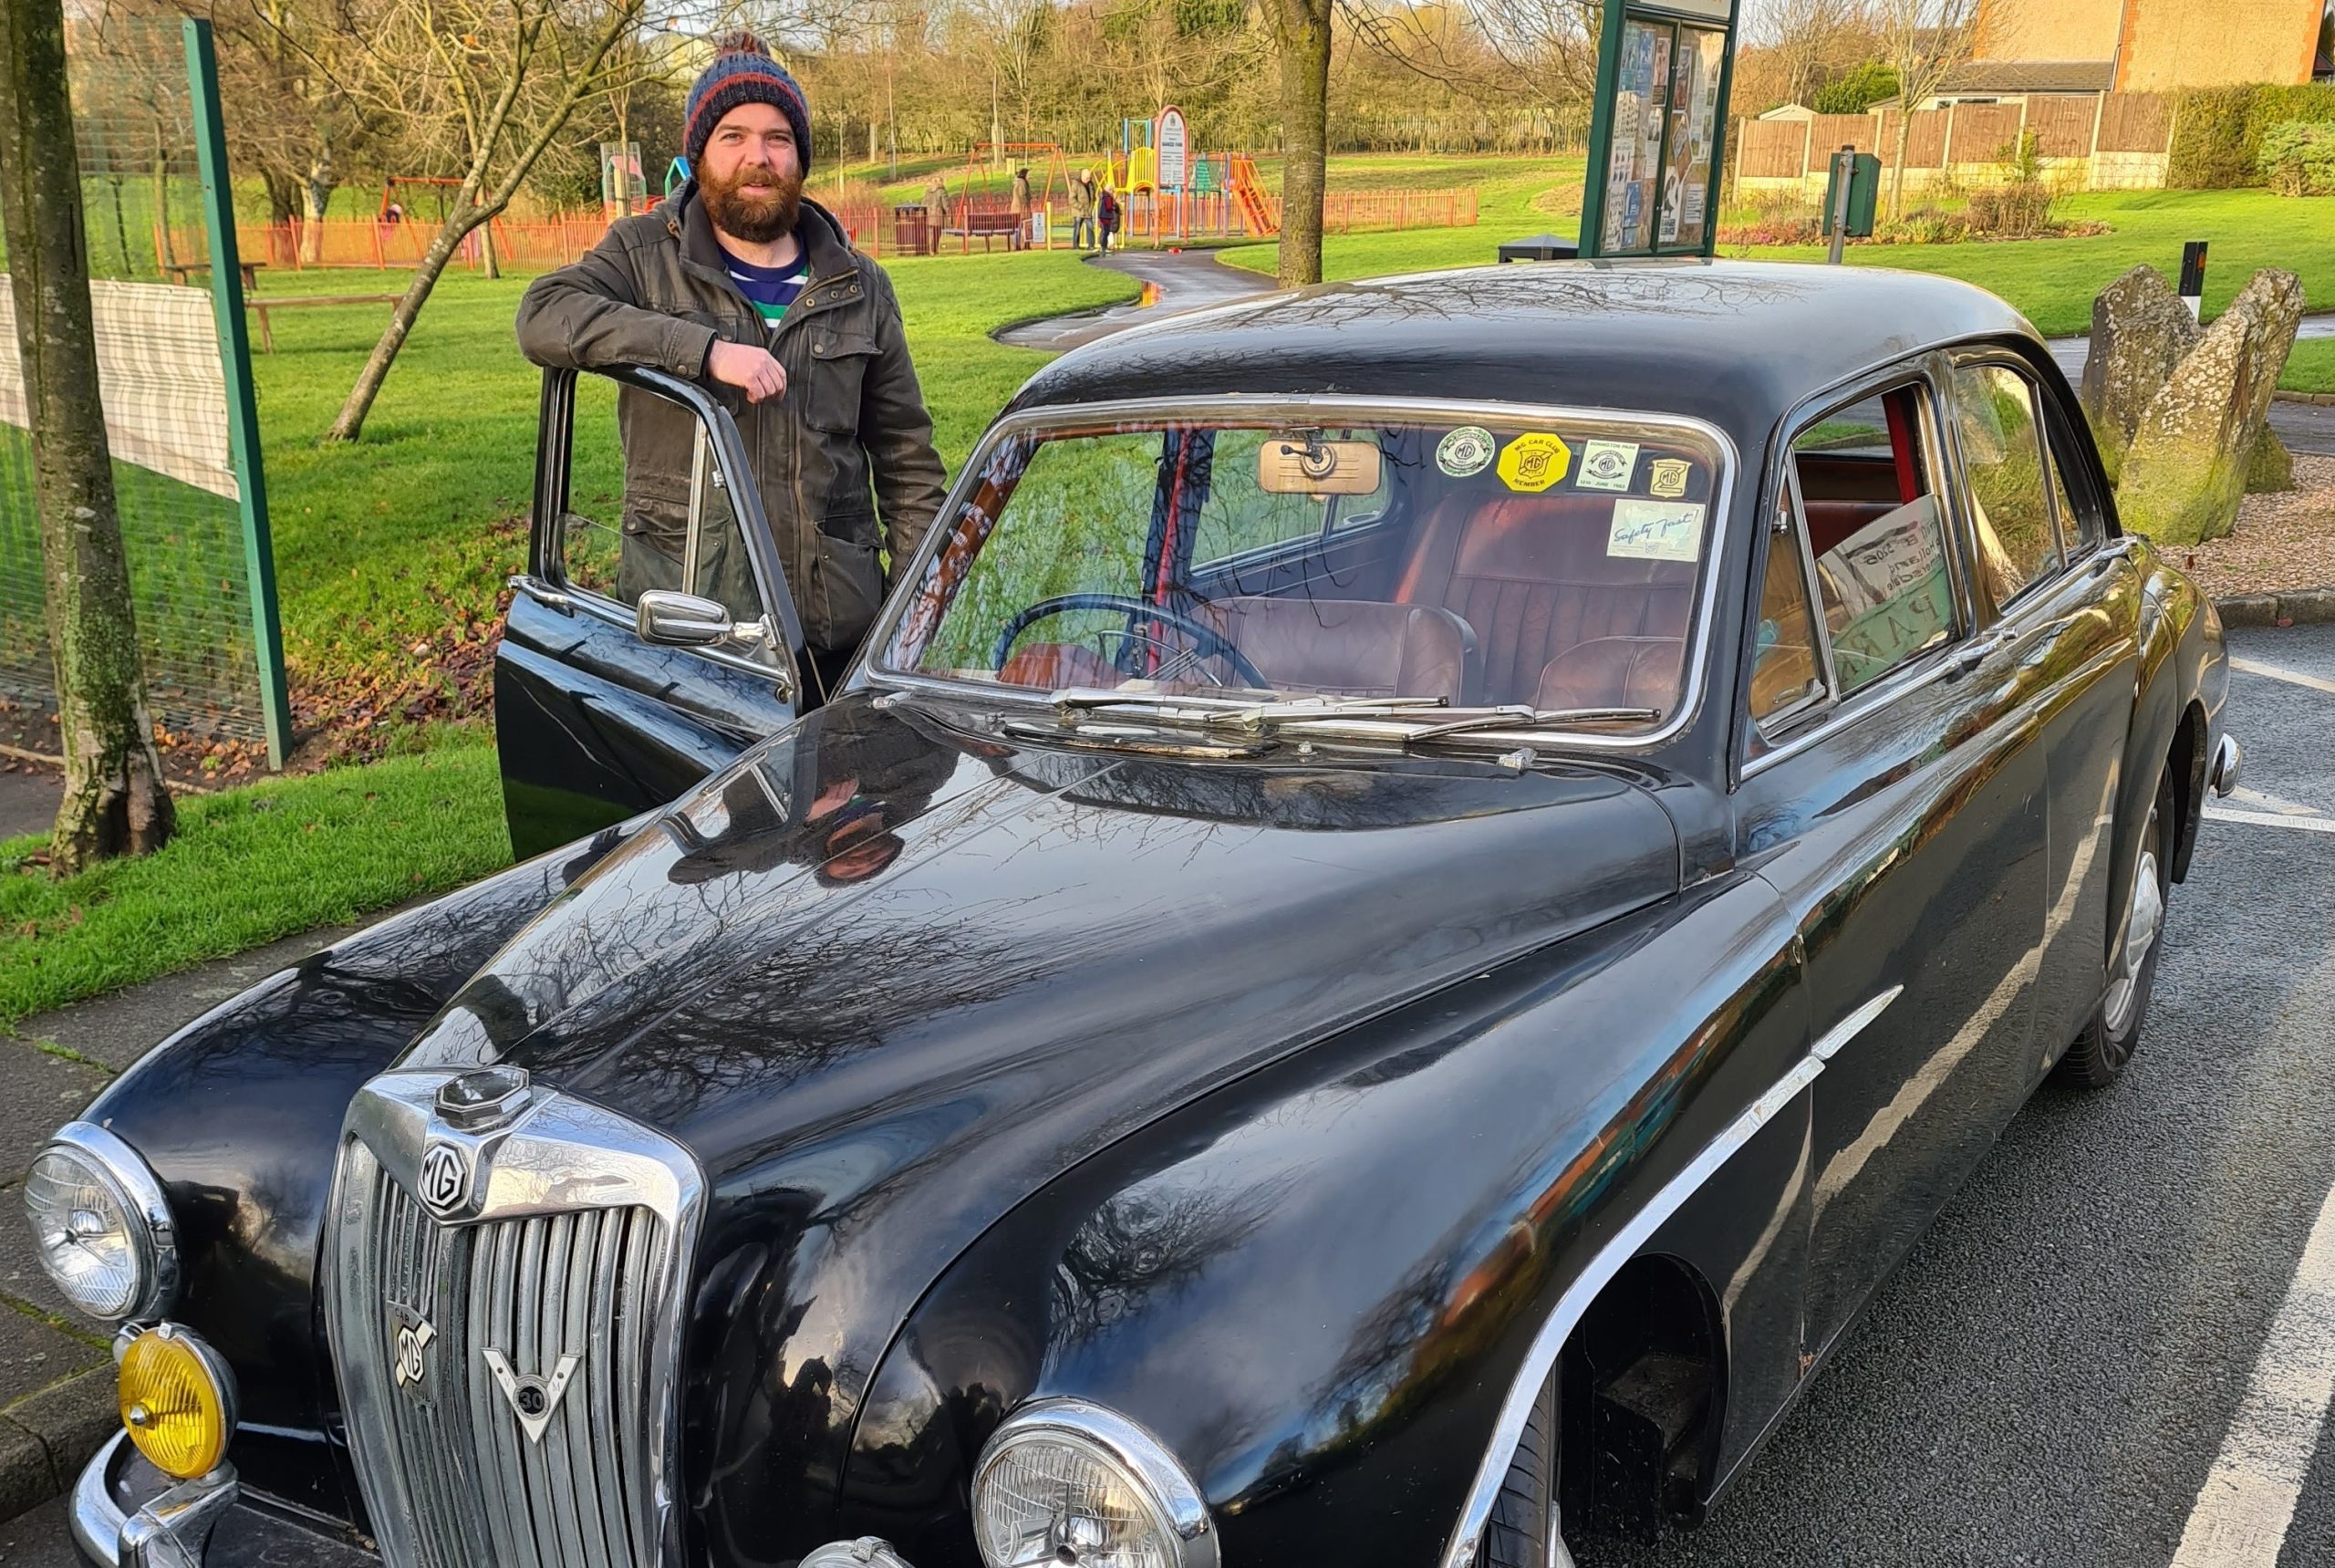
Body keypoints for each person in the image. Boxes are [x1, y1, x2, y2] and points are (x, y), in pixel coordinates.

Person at [515, 33, 948, 703]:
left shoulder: (861, 285)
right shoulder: (640, 254)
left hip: (833, 645)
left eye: (778, 138)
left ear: (800, 156)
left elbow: (908, 463)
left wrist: (904, 623)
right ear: (699, 156)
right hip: (688, 642)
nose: (758, 156)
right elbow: (543, 315)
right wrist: (704, 351)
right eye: (734, 135)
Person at [1069, 168, 1096, 252]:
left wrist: (1091, 207)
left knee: (1090, 228)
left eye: (1090, 178)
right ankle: (1076, 245)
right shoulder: (1075, 185)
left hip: (1088, 210)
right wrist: (1080, 206)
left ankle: (1091, 245)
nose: (1089, 180)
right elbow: (1071, 199)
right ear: (1082, 176)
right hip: (1079, 211)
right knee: (1077, 228)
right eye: (1087, 178)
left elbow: (1093, 197)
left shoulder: (1091, 184)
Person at [921, 174, 949, 251]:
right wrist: (949, 215)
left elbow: (923, 203)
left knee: (931, 233)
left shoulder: (927, 192)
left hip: (929, 214)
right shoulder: (942, 191)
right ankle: (934, 249)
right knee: (937, 233)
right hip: (938, 215)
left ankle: (930, 249)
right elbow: (945, 204)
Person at [1008, 166, 1033, 250]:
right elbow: (1023, 196)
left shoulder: (1020, 182)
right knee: (1022, 226)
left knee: (1018, 227)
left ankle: (1019, 244)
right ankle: (1020, 244)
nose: (1030, 176)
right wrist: (1027, 203)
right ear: (1024, 175)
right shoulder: (1022, 183)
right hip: (1021, 209)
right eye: (1028, 174)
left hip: (1017, 208)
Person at [1096, 183, 1121, 253]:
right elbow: (1109, 207)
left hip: (1103, 216)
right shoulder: (1107, 197)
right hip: (1106, 216)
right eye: (1112, 191)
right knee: (1106, 232)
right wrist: (1114, 207)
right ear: (1110, 190)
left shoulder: (1103, 196)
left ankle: (1104, 246)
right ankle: (1104, 246)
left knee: (1105, 232)